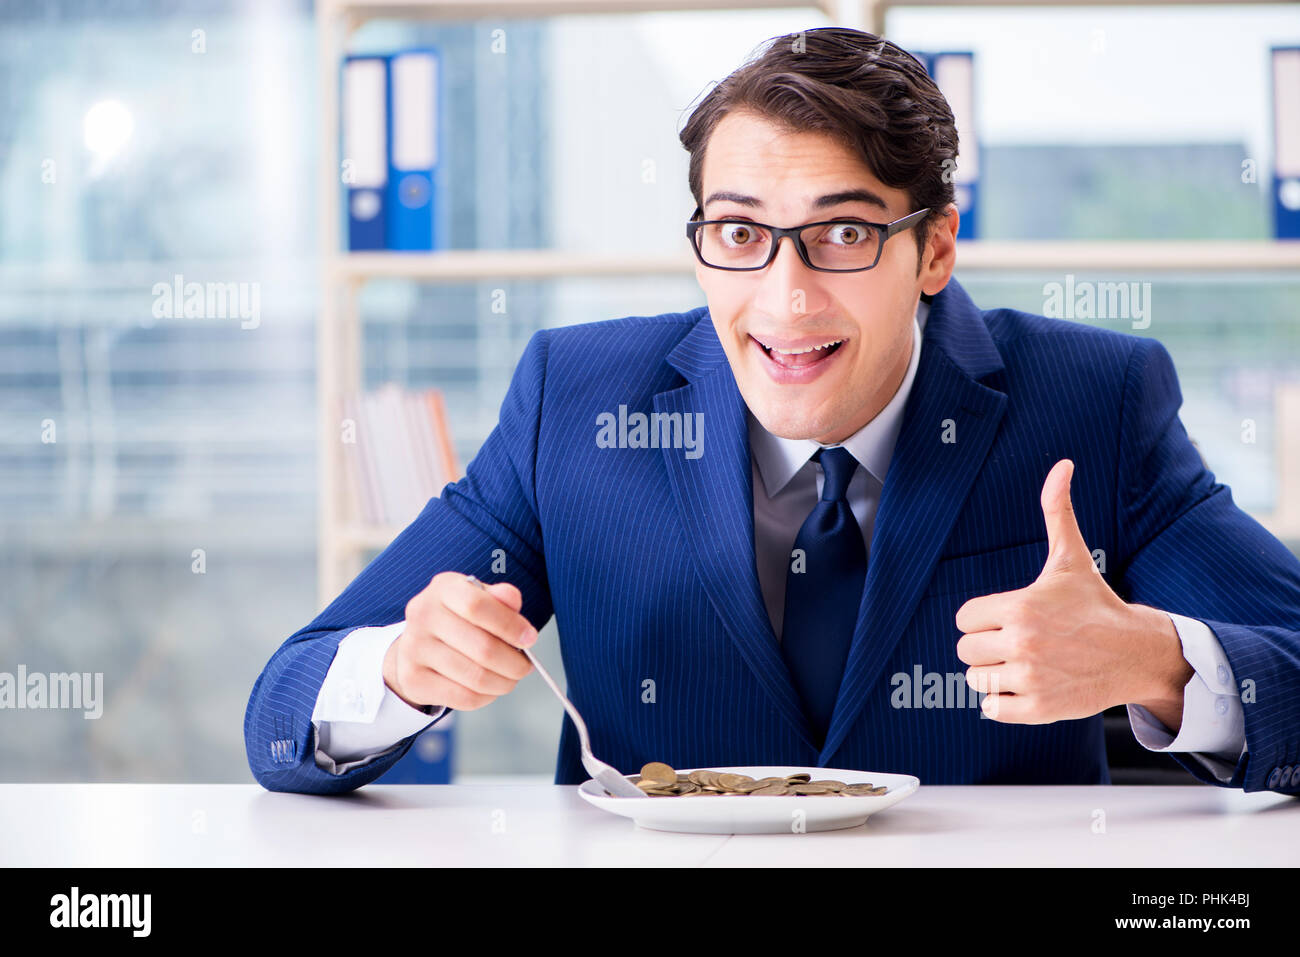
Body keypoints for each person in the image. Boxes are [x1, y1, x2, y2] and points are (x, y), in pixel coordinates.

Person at [246, 26, 1300, 796]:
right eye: (741, 233)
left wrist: (1154, 660)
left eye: (842, 235)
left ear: (933, 249)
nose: (786, 297)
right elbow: (281, 708)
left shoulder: (1090, 400)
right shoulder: (575, 399)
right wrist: (399, 666)